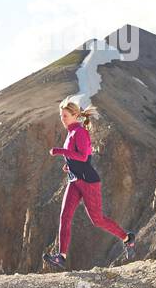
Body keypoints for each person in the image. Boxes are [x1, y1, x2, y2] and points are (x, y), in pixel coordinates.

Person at [43, 98, 135, 270]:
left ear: (75, 115)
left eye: (65, 116)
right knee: (65, 216)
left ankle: (127, 238)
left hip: (88, 182)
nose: (62, 119)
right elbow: (80, 157)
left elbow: (84, 157)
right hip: (74, 180)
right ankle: (61, 257)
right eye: (61, 116)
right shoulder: (71, 132)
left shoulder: (80, 132)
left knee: (97, 220)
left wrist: (60, 151)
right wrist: (68, 165)